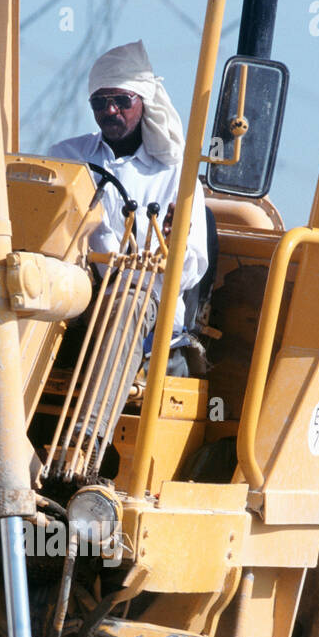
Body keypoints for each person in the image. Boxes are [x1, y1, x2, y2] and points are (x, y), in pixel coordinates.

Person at [49, 40, 210, 442]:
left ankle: (87, 437)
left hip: (144, 301)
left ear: (143, 101)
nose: (110, 111)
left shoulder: (175, 171)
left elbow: (192, 266)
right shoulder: (67, 157)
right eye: (100, 103)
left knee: (129, 299)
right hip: (77, 290)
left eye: (121, 100)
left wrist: (173, 247)